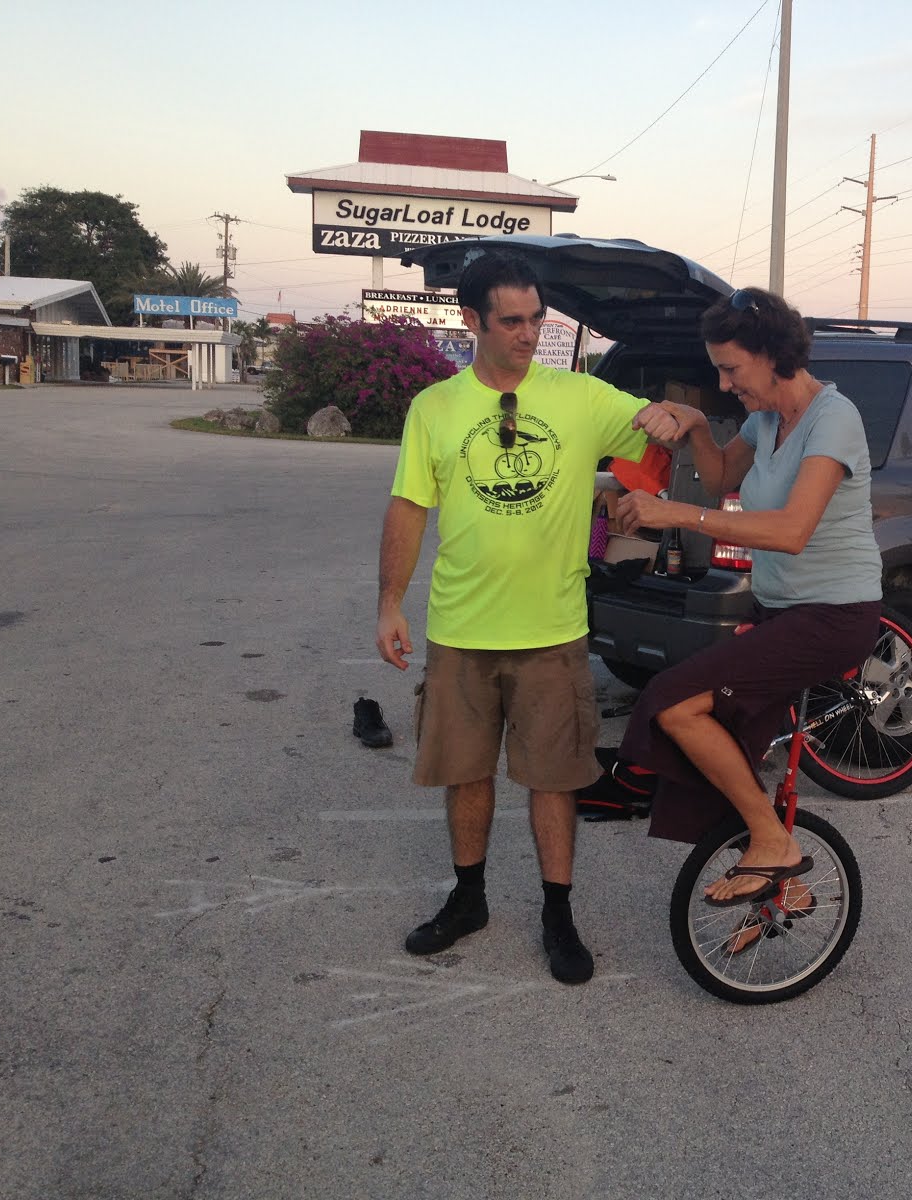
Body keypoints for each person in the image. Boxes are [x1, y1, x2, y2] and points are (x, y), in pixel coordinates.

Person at [376, 252, 682, 983]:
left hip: (551, 633)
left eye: (537, 318)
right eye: (511, 321)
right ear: (471, 320)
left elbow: (658, 449)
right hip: (460, 629)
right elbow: (410, 506)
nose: (528, 333)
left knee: (555, 778)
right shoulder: (436, 409)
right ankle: (469, 897)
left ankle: (558, 912)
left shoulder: (581, 397)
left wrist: (678, 415)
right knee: (466, 772)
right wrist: (390, 599)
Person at [611, 287, 882, 938]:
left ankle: (772, 842)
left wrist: (672, 515)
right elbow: (715, 481)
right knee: (728, 741)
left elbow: (791, 529)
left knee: (676, 704)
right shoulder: (766, 421)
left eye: (732, 369)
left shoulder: (832, 419)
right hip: (781, 610)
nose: (726, 384)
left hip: (833, 614)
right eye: (718, 373)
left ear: (773, 355)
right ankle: (780, 888)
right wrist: (700, 426)